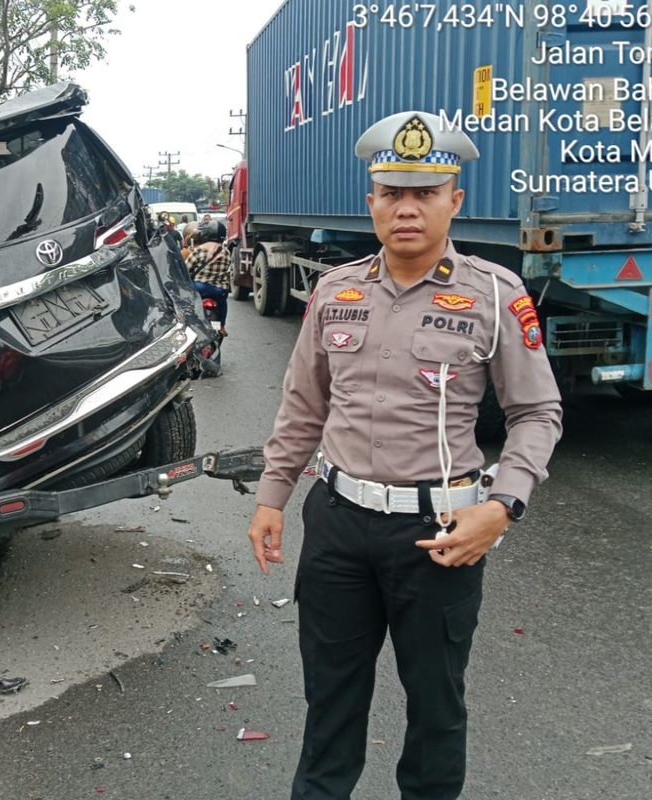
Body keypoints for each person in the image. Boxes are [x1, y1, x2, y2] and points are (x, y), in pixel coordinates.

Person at [246, 111, 563, 800]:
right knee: (329, 707)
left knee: (436, 711)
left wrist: (502, 506)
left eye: (426, 192)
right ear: (372, 203)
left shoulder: (493, 296)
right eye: (392, 193)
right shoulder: (336, 291)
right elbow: (304, 406)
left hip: (441, 534)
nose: (407, 208)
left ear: (456, 199)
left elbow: (537, 413)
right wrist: (272, 498)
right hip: (336, 527)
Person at [186, 219, 231, 337]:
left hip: (200, 288)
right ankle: (221, 326)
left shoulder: (199, 250)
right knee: (222, 303)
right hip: (219, 290)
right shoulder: (226, 252)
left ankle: (189, 324)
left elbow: (186, 269)